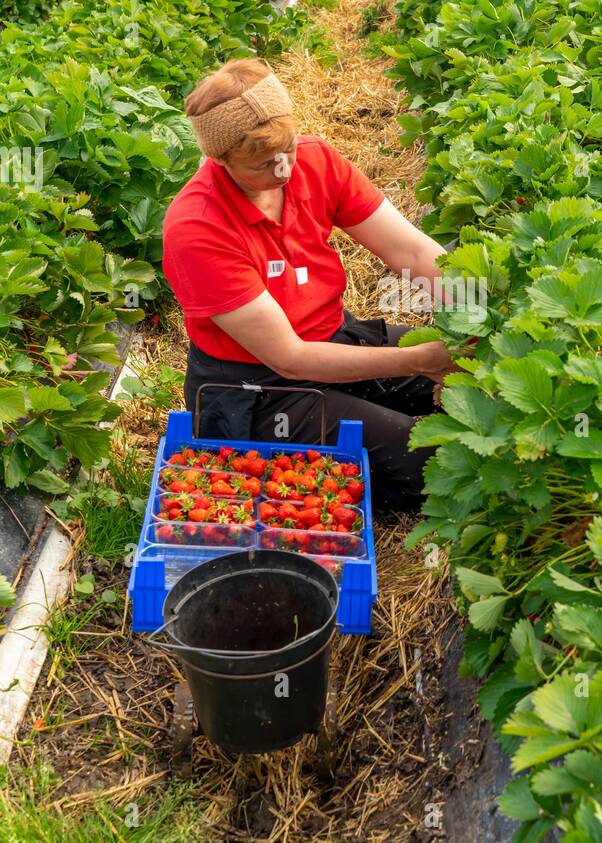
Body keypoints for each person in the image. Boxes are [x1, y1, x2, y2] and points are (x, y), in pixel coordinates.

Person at [162, 59, 455, 511]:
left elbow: (410, 253)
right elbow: (290, 358)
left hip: (332, 337)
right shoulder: (197, 227)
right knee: (435, 465)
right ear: (219, 160)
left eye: (289, 149)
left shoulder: (316, 161)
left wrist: (477, 313)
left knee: (476, 389)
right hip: (259, 387)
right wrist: (419, 359)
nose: (283, 169)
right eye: (262, 164)